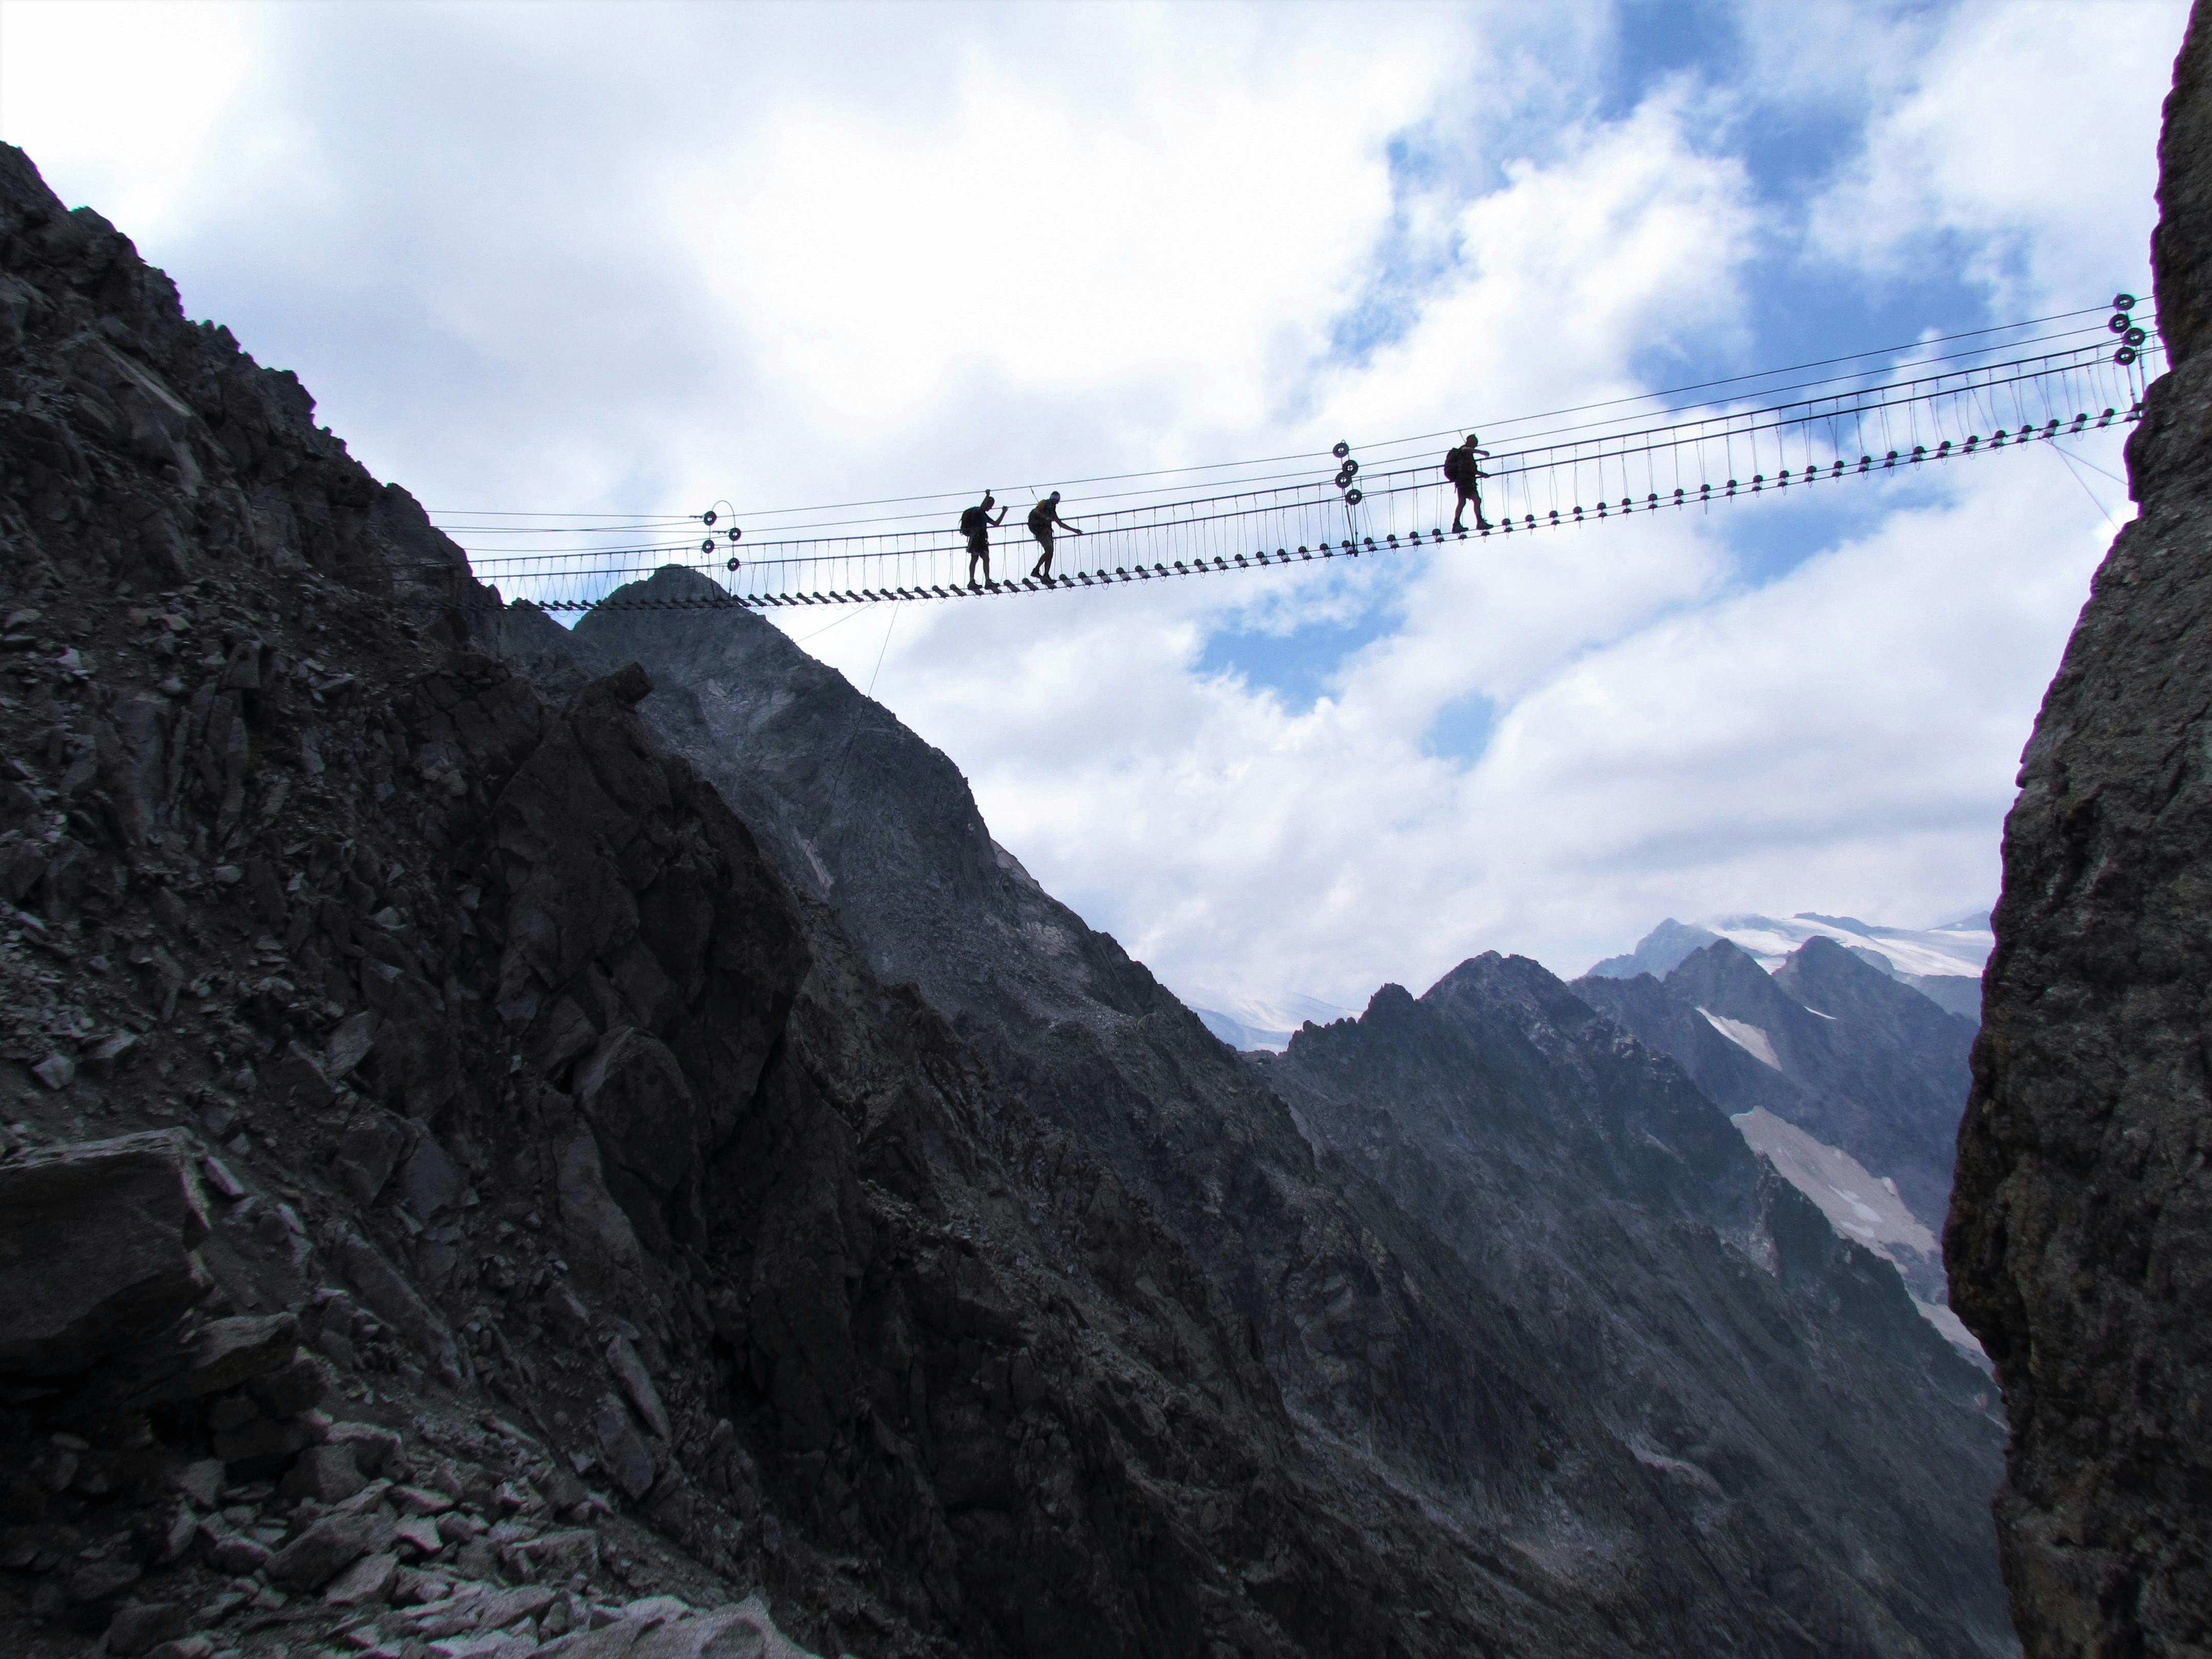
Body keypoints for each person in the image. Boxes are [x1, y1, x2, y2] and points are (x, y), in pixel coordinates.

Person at [1026, 491, 1082, 580]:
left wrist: (1074, 530)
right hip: (1040, 531)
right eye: (1057, 500)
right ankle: (1036, 570)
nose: (1057, 503)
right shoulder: (1044, 503)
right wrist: (1045, 518)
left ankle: (1046, 575)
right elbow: (1035, 512)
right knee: (1049, 550)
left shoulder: (1052, 512)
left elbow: (1060, 524)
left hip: (1046, 532)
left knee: (1051, 552)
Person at [1444, 434, 1492, 533]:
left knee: (1469, 501)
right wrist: (1481, 452)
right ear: (1469, 442)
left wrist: (1482, 474)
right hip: (1464, 480)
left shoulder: (1469, 457)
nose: (1475, 446)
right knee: (1467, 501)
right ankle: (1472, 522)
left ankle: (1462, 523)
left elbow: (1471, 470)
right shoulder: (1463, 450)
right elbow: (1465, 450)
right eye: (1474, 443)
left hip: (1467, 480)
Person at [960, 491, 1007, 587]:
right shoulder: (978, 511)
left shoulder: (984, 515)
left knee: (986, 558)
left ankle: (987, 580)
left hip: (982, 539)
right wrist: (987, 496)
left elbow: (996, 524)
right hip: (976, 538)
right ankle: (972, 581)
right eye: (990, 505)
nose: (991, 507)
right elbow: (982, 508)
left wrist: (1003, 513)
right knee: (975, 558)